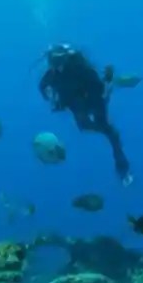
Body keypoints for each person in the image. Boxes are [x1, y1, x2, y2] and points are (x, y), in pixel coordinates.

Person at [39, 43, 133, 185]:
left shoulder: (80, 68)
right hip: (77, 103)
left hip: (92, 98)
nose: (55, 66)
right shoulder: (52, 75)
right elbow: (42, 86)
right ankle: (111, 136)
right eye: (53, 62)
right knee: (85, 126)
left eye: (57, 62)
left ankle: (122, 166)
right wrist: (51, 98)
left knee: (106, 129)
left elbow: (96, 85)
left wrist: (103, 92)